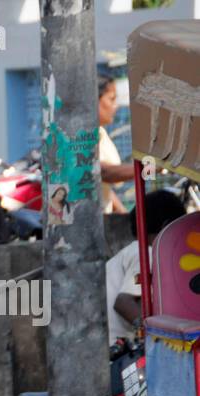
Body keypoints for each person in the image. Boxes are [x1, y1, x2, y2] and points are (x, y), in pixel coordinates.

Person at [106, 189, 187, 343]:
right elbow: (123, 303)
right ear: (168, 226)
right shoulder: (146, 254)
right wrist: (157, 338)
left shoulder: (135, 250)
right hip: (115, 349)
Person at [98, 72, 135, 215]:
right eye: (111, 99)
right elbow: (104, 172)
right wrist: (151, 167)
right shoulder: (84, 136)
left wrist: (125, 215)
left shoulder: (101, 132)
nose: (116, 106)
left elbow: (104, 186)